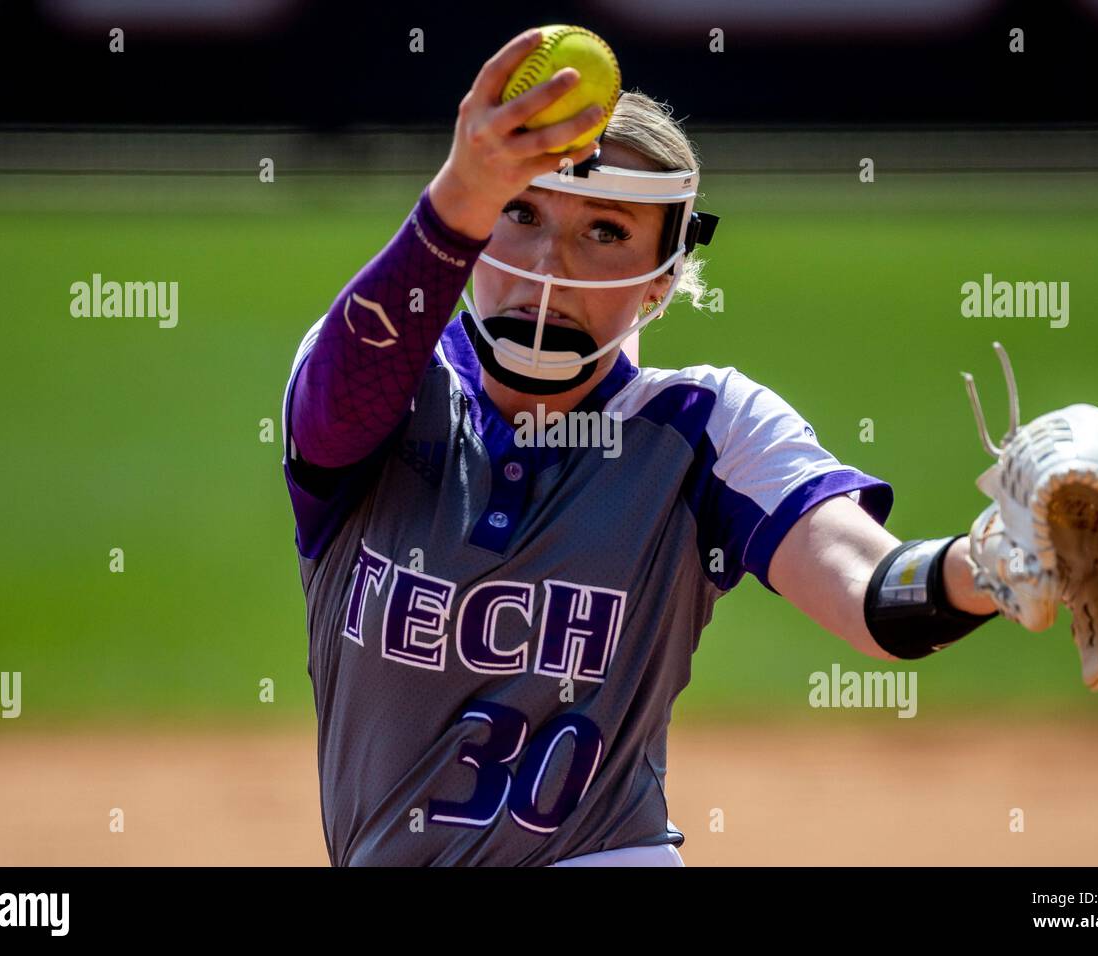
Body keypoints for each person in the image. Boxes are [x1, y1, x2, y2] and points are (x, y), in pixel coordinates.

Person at [281, 28, 999, 866]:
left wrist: (993, 562)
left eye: (607, 232)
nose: (549, 263)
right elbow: (331, 413)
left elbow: (876, 596)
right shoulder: (392, 383)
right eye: (519, 211)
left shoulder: (704, 425)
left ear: (662, 280)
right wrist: (454, 202)